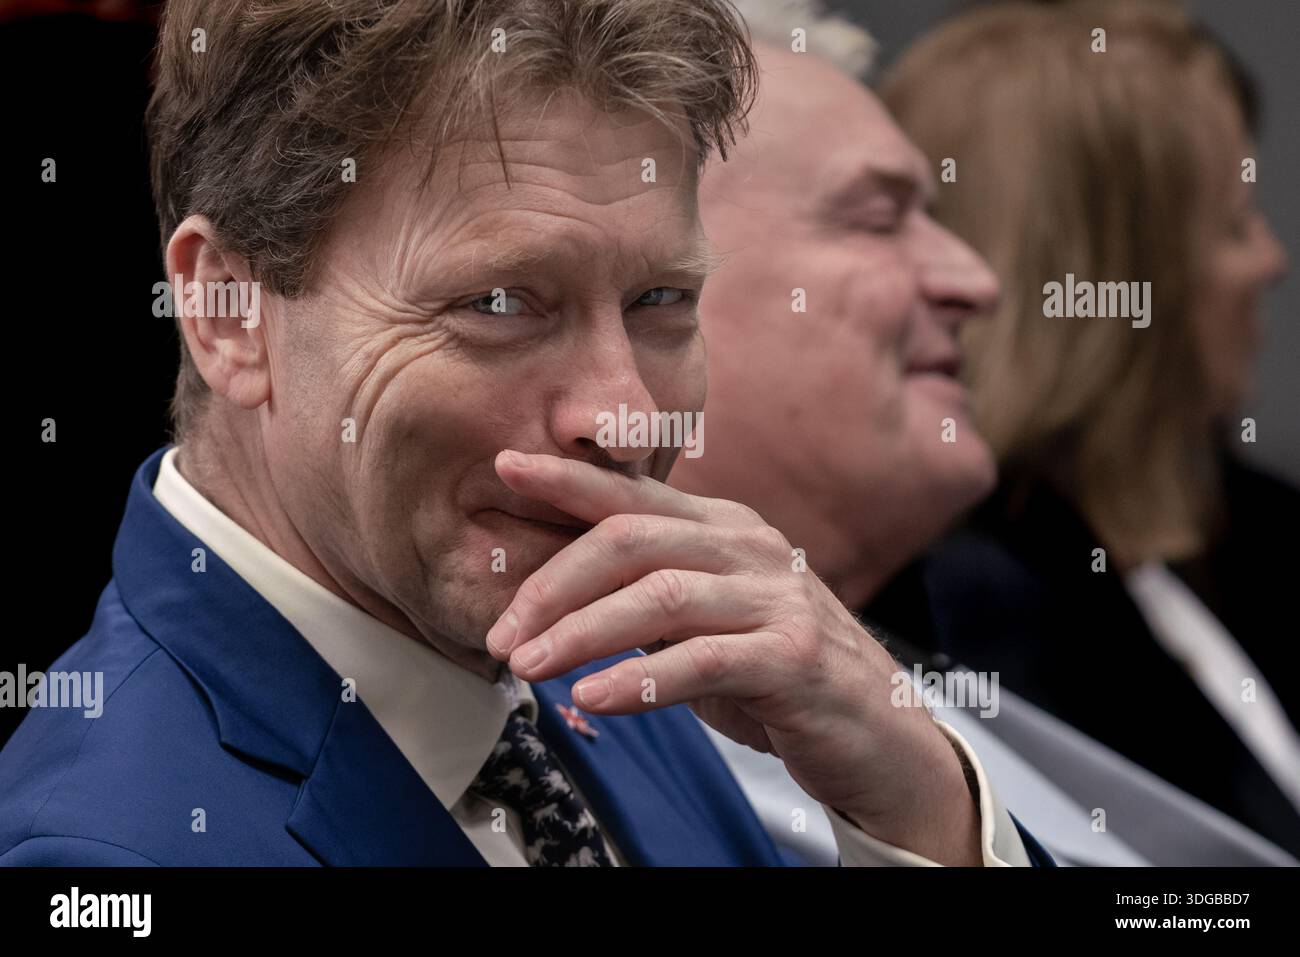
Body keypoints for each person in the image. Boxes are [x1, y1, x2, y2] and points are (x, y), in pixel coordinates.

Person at [0, 0, 1043, 868]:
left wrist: (923, 813)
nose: (627, 415)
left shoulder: (588, 652)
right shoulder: (104, 855)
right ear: (231, 313)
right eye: (500, 303)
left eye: (661, 300)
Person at [672, 0, 1296, 866]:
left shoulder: (907, 663)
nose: (978, 280)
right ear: (658, 272)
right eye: (881, 217)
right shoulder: (569, 729)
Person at [879, 0, 1299, 855]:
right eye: (1231, 222)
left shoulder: (1250, 538)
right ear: (1117, 281)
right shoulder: (977, 613)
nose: (1271, 260)